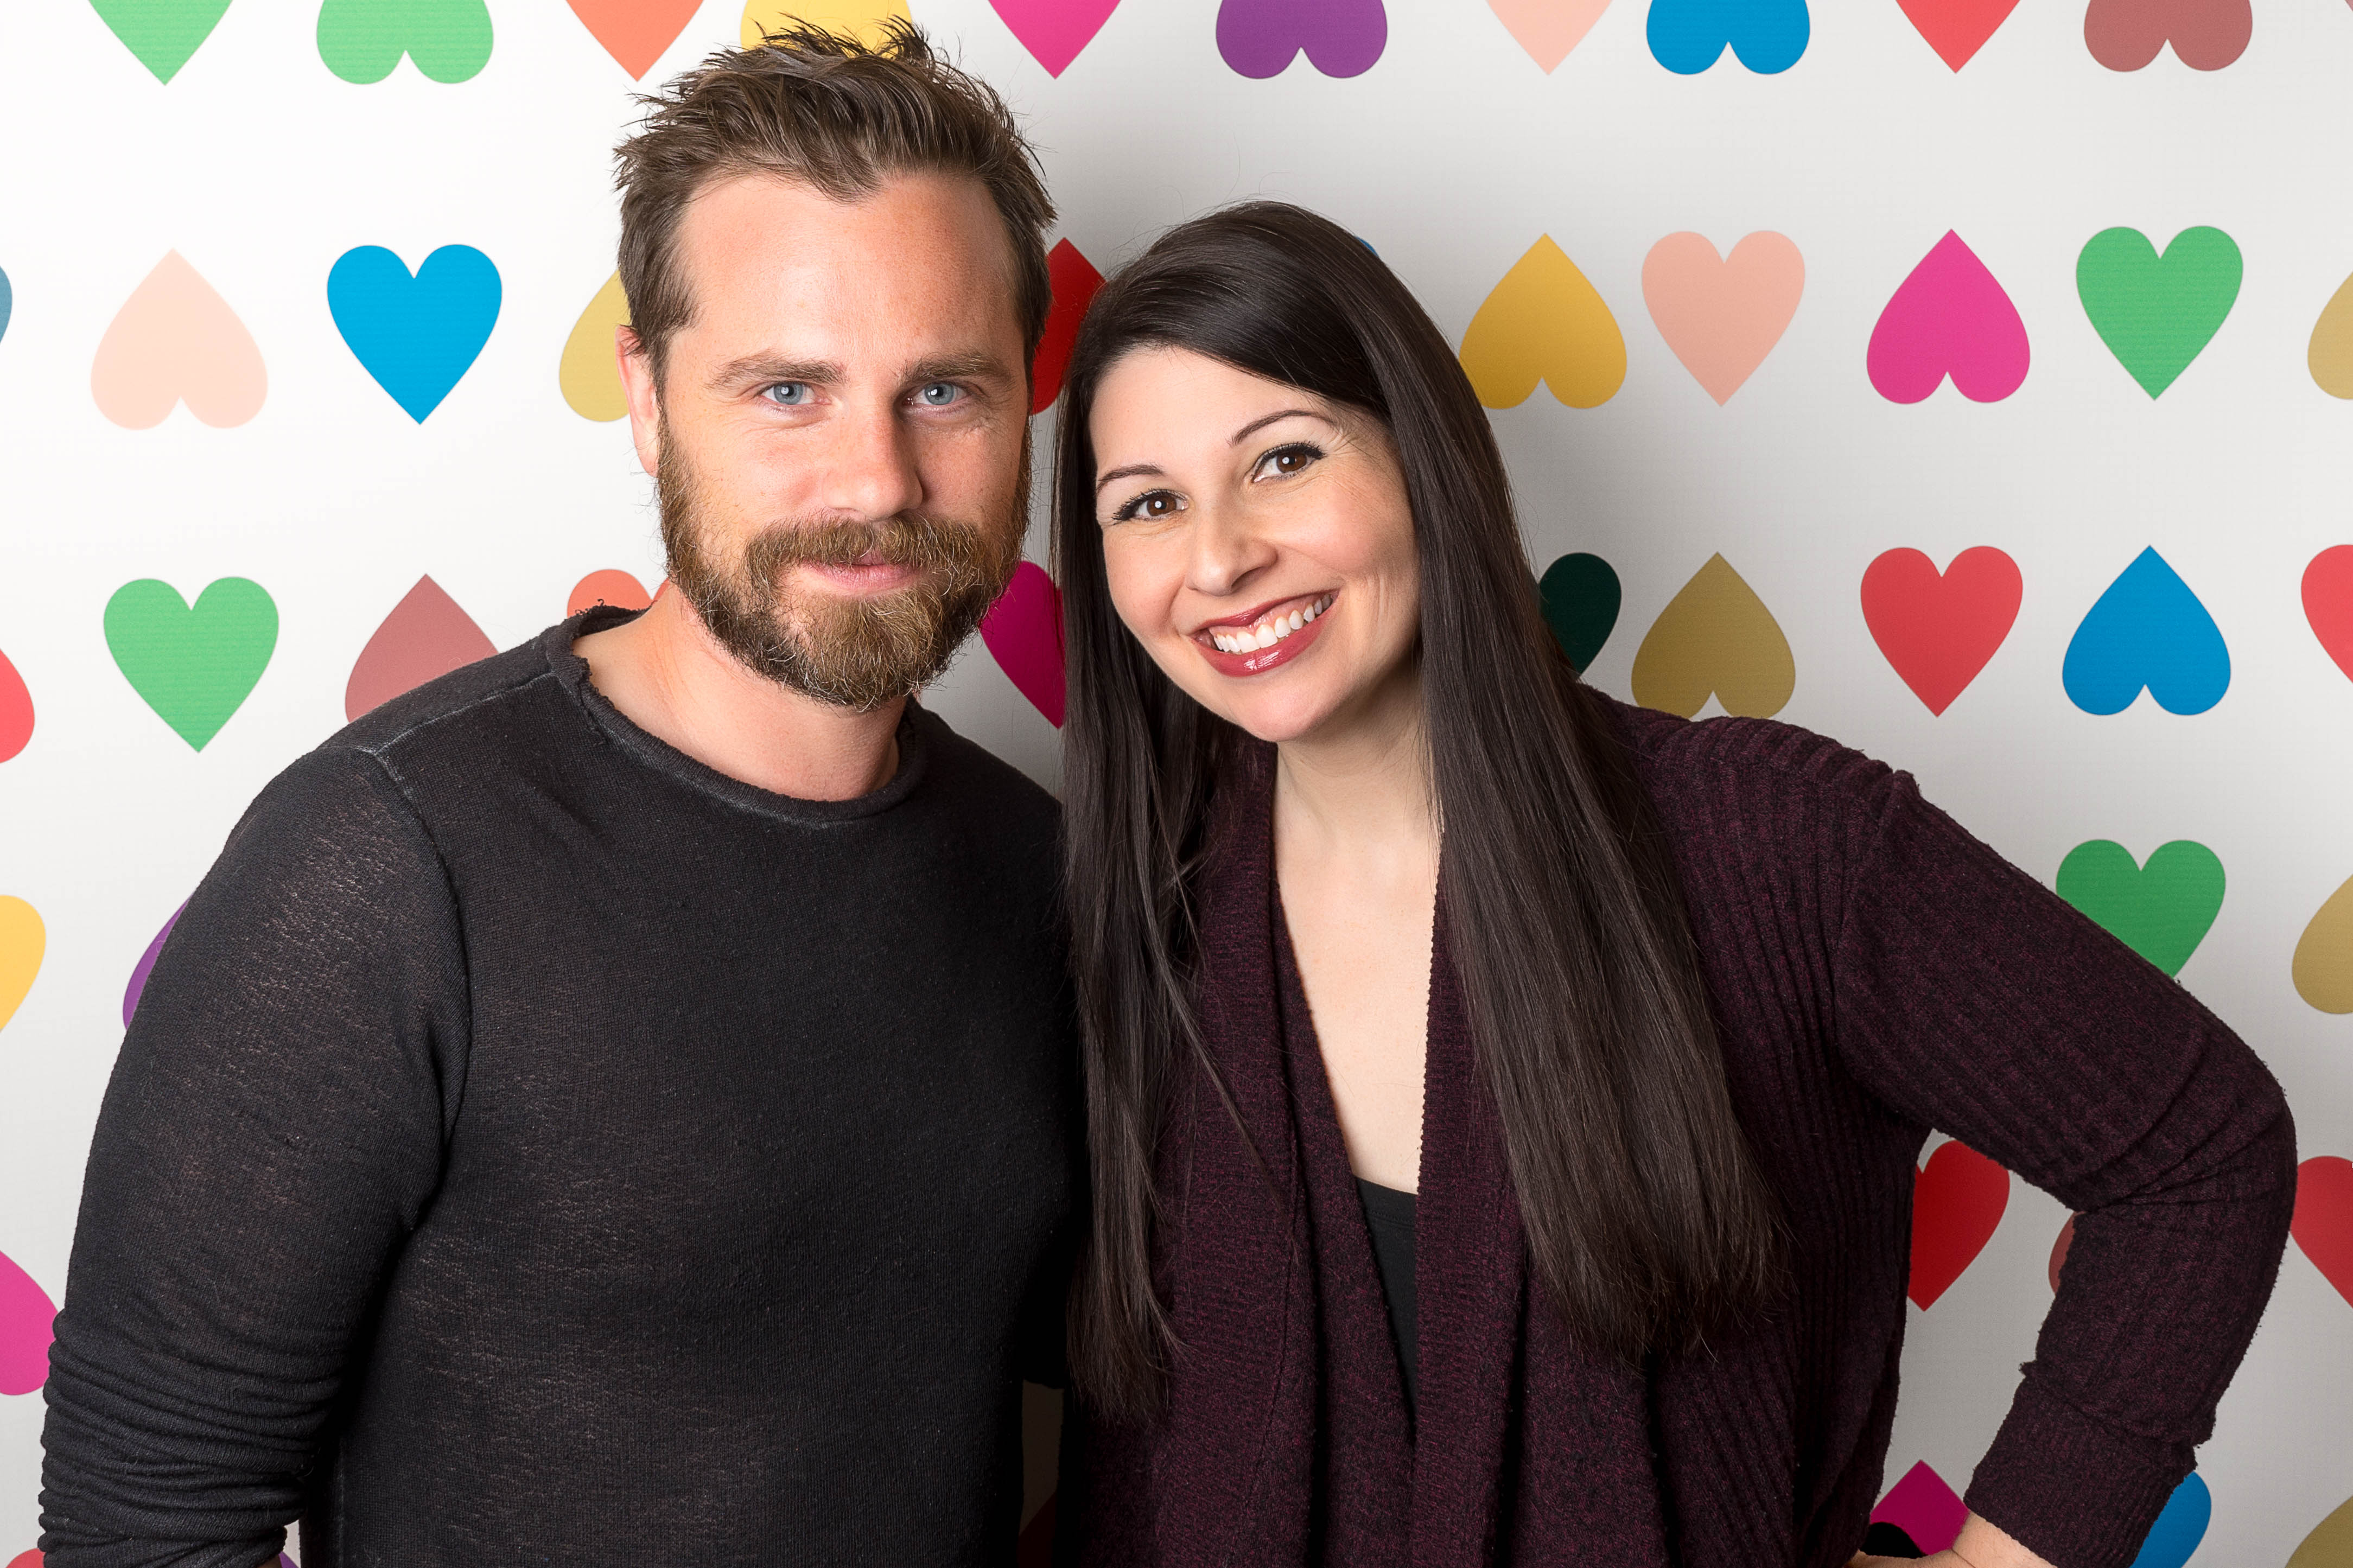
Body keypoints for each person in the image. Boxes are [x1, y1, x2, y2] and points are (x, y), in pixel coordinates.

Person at [1045, 202, 2297, 1568]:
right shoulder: (1137, 913)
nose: (1218, 557)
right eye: (1148, 503)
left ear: (1423, 458)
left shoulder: (1767, 844)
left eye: (1281, 458)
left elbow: (2200, 1152)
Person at [41, 26, 1075, 1567]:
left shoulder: (1045, 867)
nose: (875, 480)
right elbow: (149, 1520)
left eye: (943, 391)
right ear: (649, 400)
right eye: (787, 388)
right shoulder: (390, 862)